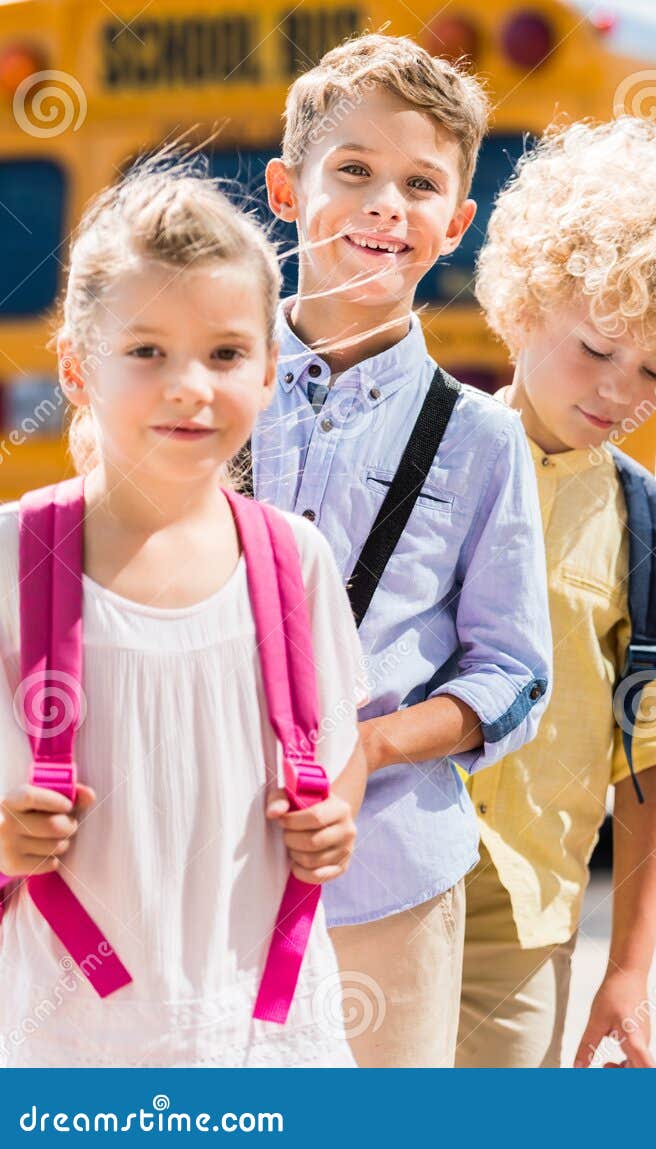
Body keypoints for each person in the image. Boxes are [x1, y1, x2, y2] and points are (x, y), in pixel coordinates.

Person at [0, 167, 365, 1066]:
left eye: (227, 354)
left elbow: (339, 755)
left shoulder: (295, 563)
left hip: (267, 1034)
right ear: (78, 370)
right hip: (71, 1038)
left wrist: (332, 826)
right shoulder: (13, 557)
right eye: (148, 352)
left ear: (273, 371)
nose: (190, 387)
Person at [454, 118, 656, 1068]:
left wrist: (629, 975)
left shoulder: (651, 529)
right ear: (523, 302)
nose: (618, 392)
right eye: (597, 348)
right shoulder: (417, 455)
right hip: (371, 877)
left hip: (523, 918)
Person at [253, 34, 553, 1066]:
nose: (387, 204)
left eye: (420, 183)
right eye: (354, 172)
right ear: (288, 190)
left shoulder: (482, 437)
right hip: (200, 858)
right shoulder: (210, 388)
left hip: (387, 872)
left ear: (456, 222)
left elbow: (513, 673)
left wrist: (369, 750)